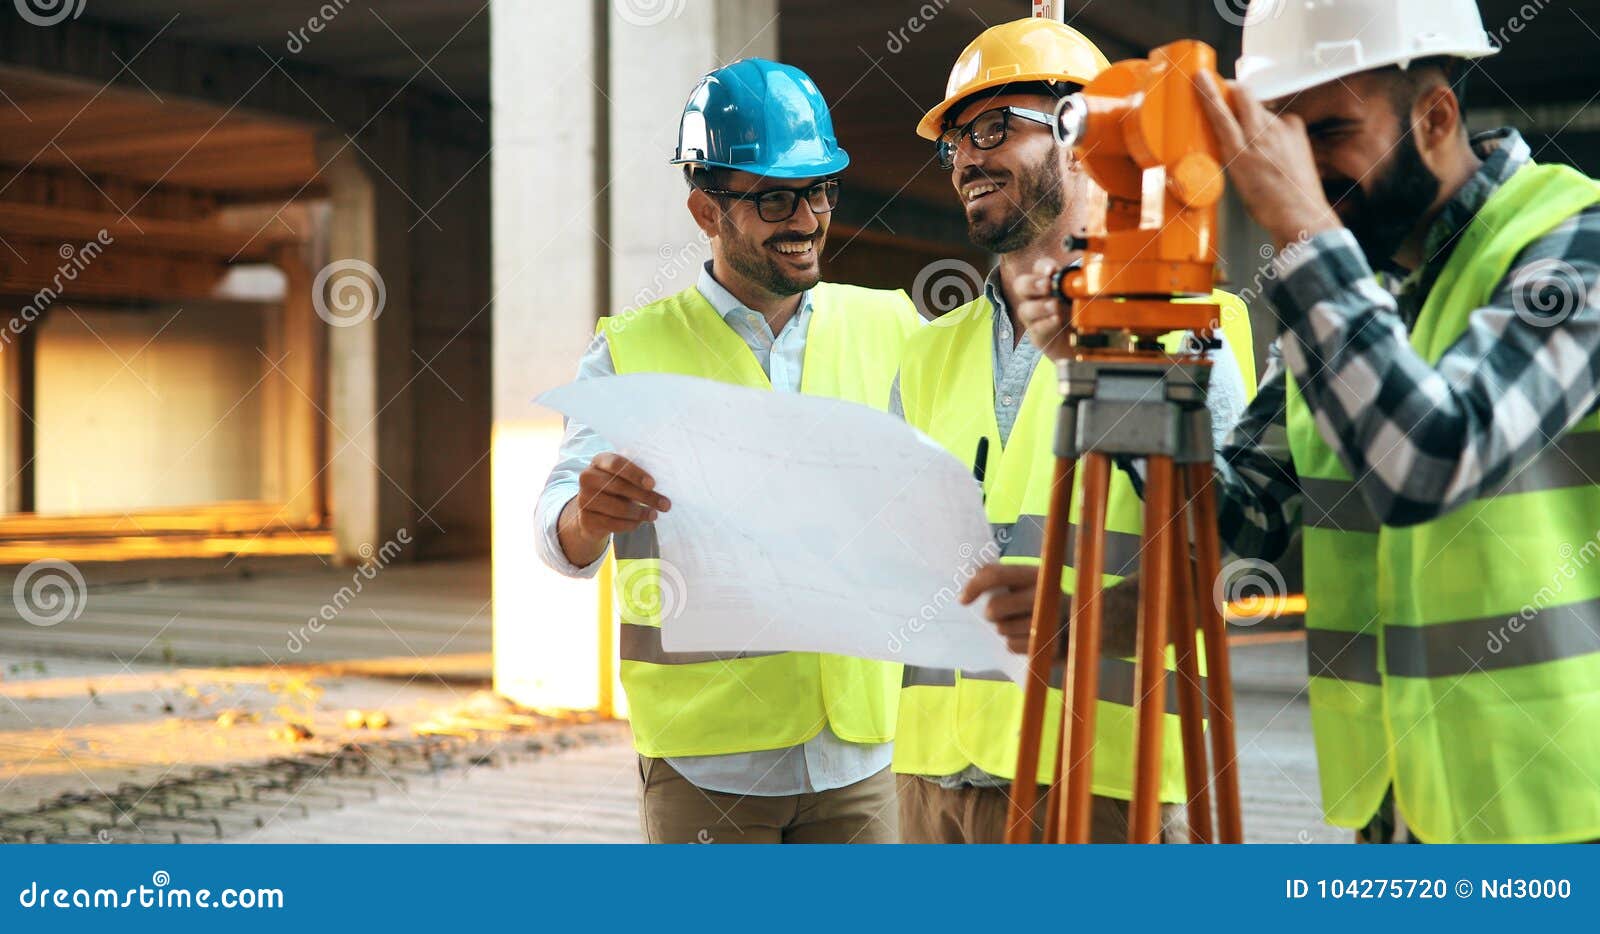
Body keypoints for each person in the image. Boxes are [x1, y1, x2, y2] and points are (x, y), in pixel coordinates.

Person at [1017, 0, 1600, 844]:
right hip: (1404, 812)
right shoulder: (1352, 293)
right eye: (1279, 136)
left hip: (1567, 809)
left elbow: (1432, 458)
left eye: (1328, 133)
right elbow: (1236, 524)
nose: (1297, 170)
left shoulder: (1568, 245)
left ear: (1436, 116)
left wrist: (1304, 233)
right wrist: (1111, 367)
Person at [535, 58, 922, 844]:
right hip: (709, 771)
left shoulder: (892, 326)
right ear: (705, 211)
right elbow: (557, 537)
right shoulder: (628, 352)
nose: (808, 220)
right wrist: (588, 514)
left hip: (864, 757)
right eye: (777, 198)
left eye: (819, 191)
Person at [889, 18, 1255, 844]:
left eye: (990, 128)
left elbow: (1228, 549)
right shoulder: (927, 353)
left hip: (1096, 780)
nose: (968, 159)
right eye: (953, 144)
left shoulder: (1183, 326)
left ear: (1080, 132)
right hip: (928, 783)